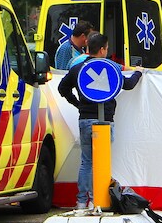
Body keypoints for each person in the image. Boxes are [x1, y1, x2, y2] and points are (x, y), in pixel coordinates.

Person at [58, 32, 144, 210]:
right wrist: (138, 73)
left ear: (88, 47)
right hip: (105, 121)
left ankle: (82, 201)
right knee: (102, 161)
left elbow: (62, 88)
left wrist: (79, 104)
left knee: (86, 162)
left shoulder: (78, 69)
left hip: (85, 120)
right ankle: (99, 200)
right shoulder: (109, 68)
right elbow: (128, 85)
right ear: (103, 50)